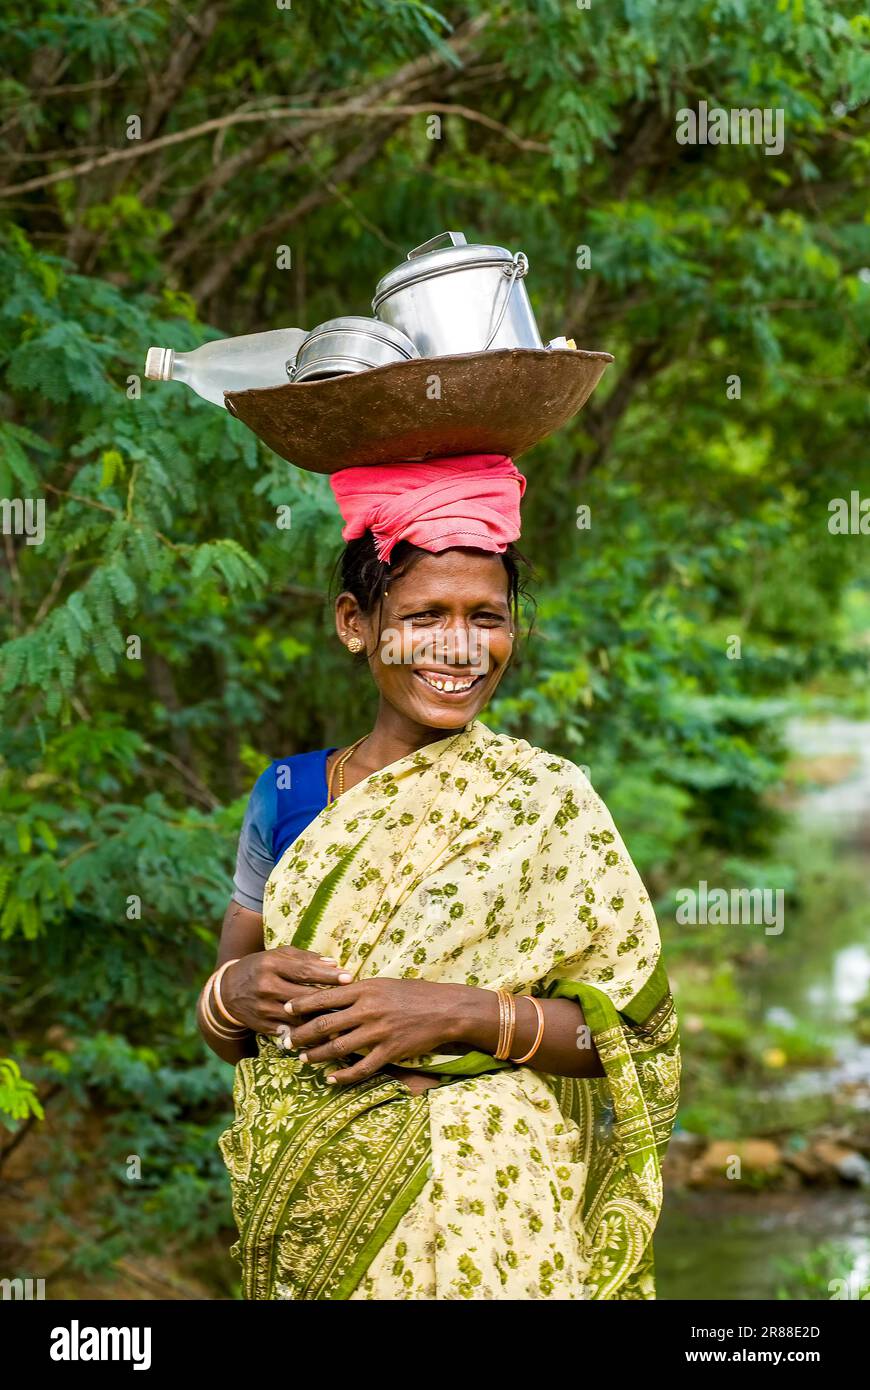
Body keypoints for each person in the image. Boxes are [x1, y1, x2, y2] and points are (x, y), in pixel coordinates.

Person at [198, 453, 680, 1300]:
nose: (459, 647)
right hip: (311, 1209)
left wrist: (458, 1013)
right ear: (356, 623)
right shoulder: (289, 794)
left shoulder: (548, 802)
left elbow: (626, 1038)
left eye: (486, 616)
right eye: (424, 616)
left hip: (500, 1211)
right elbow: (231, 1019)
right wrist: (231, 994)